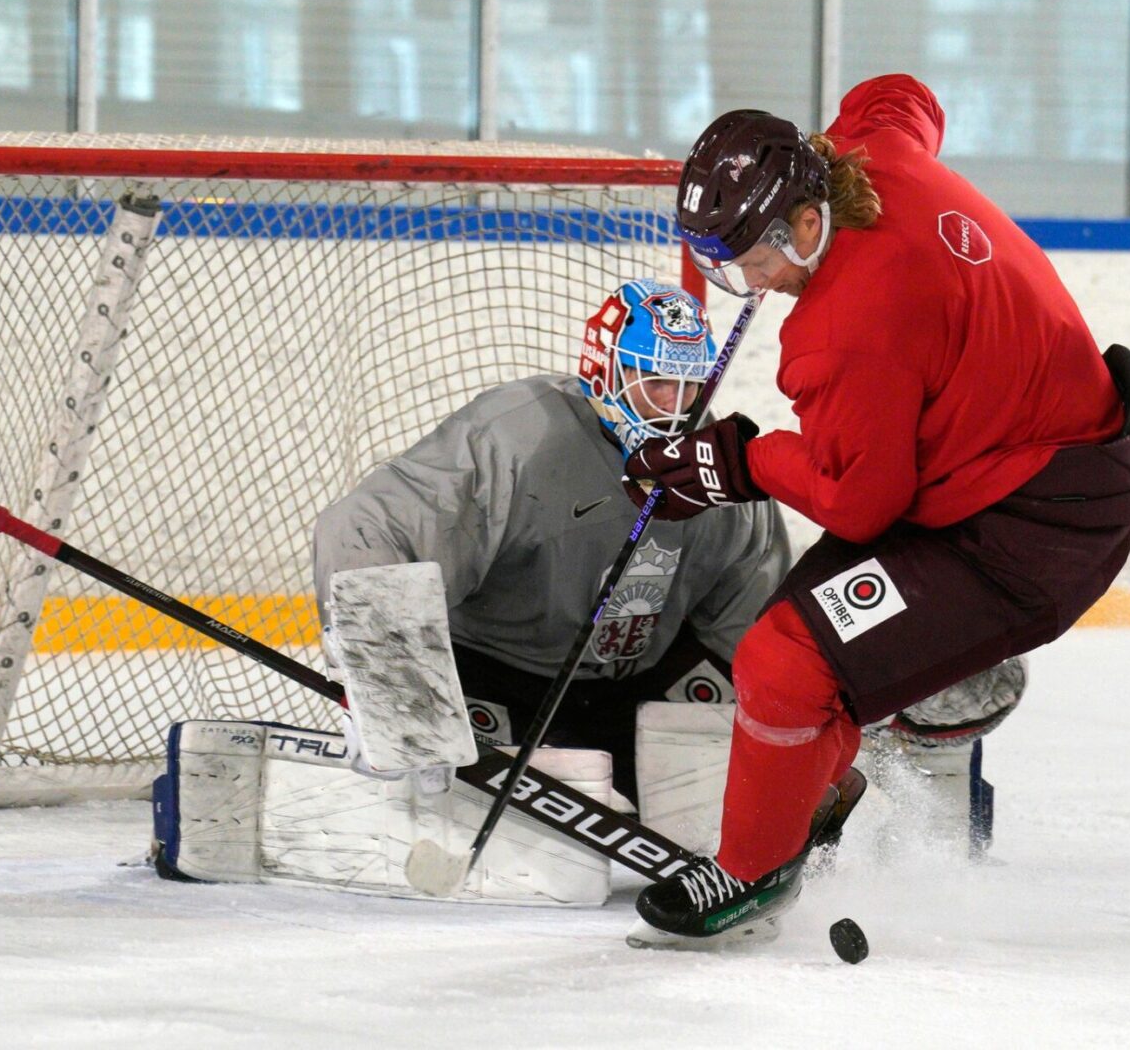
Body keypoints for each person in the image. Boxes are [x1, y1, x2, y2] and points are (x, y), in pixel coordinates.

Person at [621, 74, 1130, 943]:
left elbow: (861, 504)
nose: (750, 284)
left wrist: (742, 461)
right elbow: (899, 93)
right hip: (1012, 472)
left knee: (787, 659)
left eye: (753, 259)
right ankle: (816, 792)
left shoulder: (847, 328)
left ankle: (753, 872)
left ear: (804, 221)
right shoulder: (865, 152)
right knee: (797, 650)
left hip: (1027, 533)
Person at [314, 279, 790, 805]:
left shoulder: (718, 470)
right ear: (605, 372)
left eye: (689, 384)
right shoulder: (517, 437)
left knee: (732, 803)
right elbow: (366, 529)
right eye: (655, 382)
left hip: (638, 692)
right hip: (495, 682)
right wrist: (388, 688)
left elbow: (751, 617)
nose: (674, 407)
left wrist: (770, 727)